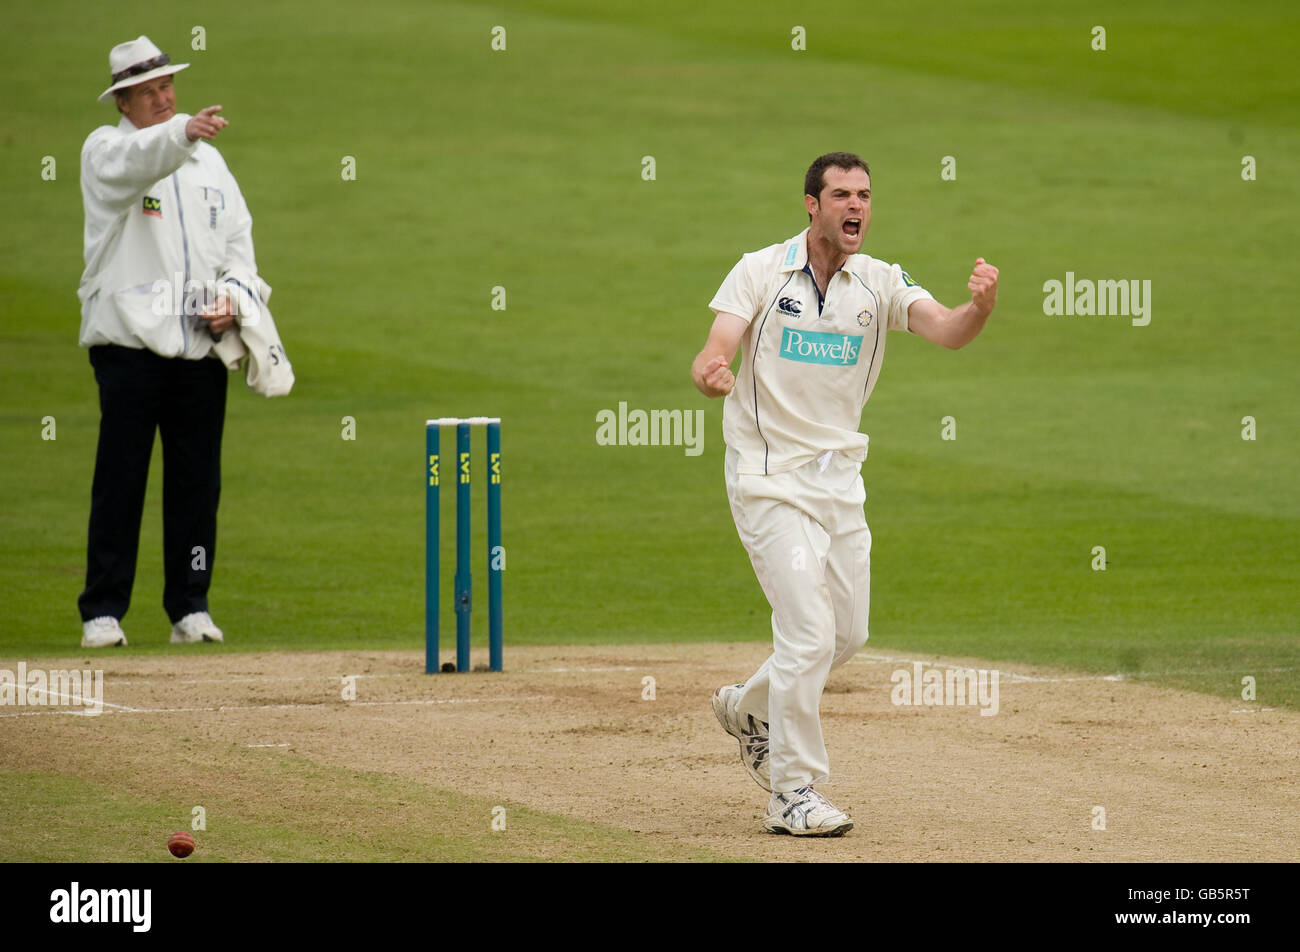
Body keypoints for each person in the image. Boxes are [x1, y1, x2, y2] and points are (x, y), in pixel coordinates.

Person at [691, 152, 998, 835]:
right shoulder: (760, 270)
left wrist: (978, 307)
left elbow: (946, 331)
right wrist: (712, 373)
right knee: (807, 633)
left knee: (847, 634)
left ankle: (747, 706)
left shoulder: (880, 282)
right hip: (768, 479)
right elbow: (716, 347)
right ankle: (790, 793)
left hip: (837, 483)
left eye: (864, 195)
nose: (855, 206)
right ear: (812, 204)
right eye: (841, 195)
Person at [77, 35, 261, 647]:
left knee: (197, 482)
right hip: (128, 349)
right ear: (122, 102)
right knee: (122, 478)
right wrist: (181, 130)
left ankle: (190, 606)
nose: (162, 99)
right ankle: (102, 611)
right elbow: (139, 164)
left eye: (167, 88)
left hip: (198, 351)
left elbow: (238, 247)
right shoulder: (107, 150)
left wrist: (231, 302)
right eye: (148, 93)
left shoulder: (211, 164)